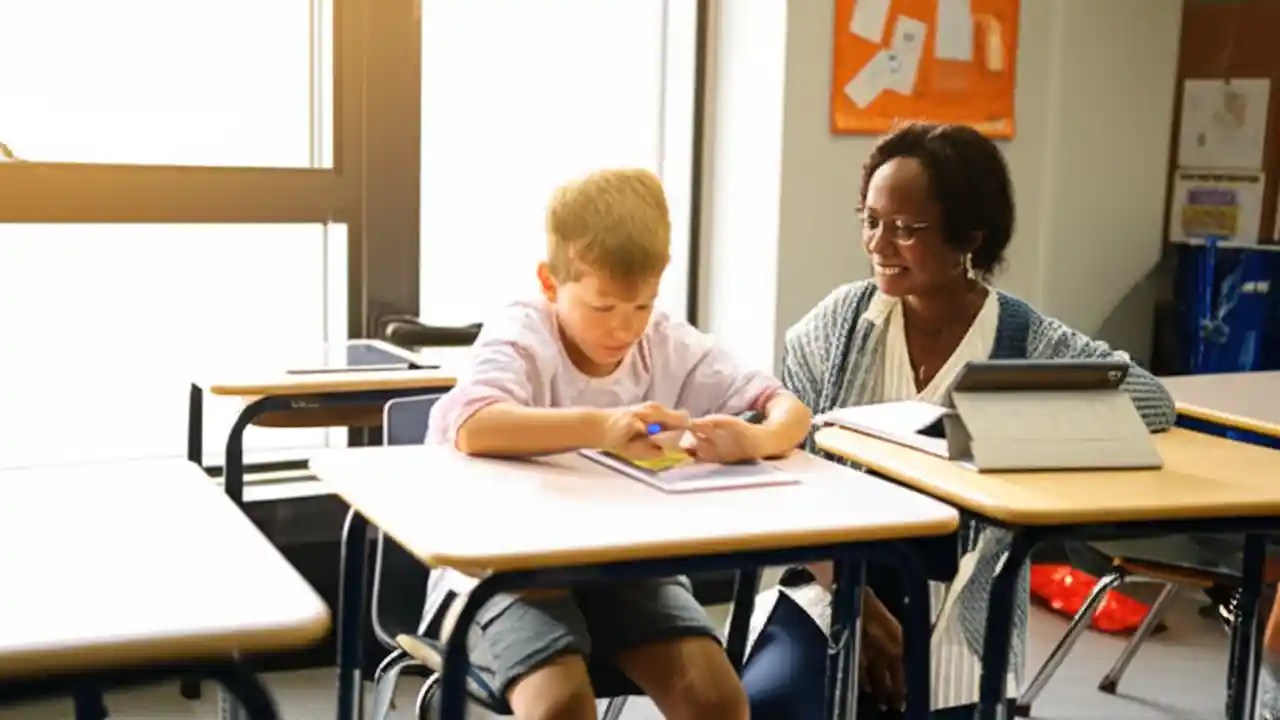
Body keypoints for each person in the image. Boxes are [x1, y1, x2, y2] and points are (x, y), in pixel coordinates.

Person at [741, 122, 1176, 719]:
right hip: (832, 588)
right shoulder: (841, 326)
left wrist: (1007, 425)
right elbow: (782, 472)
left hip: (958, 618)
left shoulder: (1021, 336)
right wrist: (856, 601)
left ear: (969, 236)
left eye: (906, 230)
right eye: (870, 220)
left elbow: (1153, 403)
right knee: (771, 707)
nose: (878, 244)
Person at [425, 167, 812, 720]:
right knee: (561, 706)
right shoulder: (521, 334)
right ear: (550, 282)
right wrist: (604, 426)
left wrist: (755, 437)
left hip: (623, 569)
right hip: (503, 574)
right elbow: (475, 425)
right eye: (603, 308)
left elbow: (788, 408)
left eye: (642, 306)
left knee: (719, 703)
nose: (624, 328)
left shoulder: (667, 343)